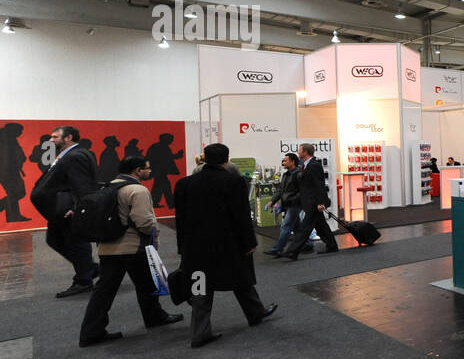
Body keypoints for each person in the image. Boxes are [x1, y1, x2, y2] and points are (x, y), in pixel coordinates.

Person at [174, 143, 276, 348]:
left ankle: (199, 333)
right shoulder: (233, 181)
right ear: (226, 159)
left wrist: (182, 247)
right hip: (228, 245)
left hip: (195, 249)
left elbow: (181, 219)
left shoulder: (185, 184)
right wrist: (249, 242)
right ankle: (255, 313)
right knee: (241, 279)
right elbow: (240, 216)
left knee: (200, 289)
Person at [78, 156, 184, 347]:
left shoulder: (108, 187)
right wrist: (153, 232)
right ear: (137, 170)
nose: (149, 171)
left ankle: (90, 331)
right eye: (147, 168)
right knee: (147, 284)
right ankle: (154, 317)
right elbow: (143, 221)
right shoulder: (137, 190)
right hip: (133, 247)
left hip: (107, 247)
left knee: (104, 291)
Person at [29, 125, 99, 297]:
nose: (51, 140)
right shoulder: (67, 155)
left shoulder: (76, 156)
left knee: (77, 242)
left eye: (55, 137)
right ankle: (90, 269)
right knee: (54, 239)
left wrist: (77, 208)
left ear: (68, 138)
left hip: (69, 210)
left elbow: (82, 184)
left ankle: (83, 280)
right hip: (59, 211)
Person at [282, 142, 339, 261]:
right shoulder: (305, 165)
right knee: (321, 226)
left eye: (299, 150)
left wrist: (320, 202)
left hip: (313, 203)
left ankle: (292, 252)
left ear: (305, 152)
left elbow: (319, 185)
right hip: (308, 202)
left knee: (305, 228)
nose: (298, 152)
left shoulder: (314, 165)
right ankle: (332, 246)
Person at [267, 153, 303, 257]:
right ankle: (308, 244)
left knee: (286, 226)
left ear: (292, 162)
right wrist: (273, 201)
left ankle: (277, 249)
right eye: (283, 160)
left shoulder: (298, 174)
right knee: (297, 227)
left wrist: (292, 199)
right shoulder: (285, 174)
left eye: (286, 160)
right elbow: (280, 190)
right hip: (287, 204)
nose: (283, 162)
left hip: (294, 205)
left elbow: (302, 191)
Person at [0, 122, 32, 222]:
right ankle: (13, 216)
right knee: (17, 192)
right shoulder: (6, 139)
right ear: (13, 130)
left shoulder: (9, 139)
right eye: (19, 131)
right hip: (8, 171)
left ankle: (13, 216)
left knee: (14, 193)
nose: (21, 133)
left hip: (10, 171)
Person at [145, 133, 183, 208]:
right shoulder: (162, 147)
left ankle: (159, 203)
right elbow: (167, 157)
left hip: (158, 171)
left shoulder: (157, 146)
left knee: (160, 186)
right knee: (164, 186)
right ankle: (169, 204)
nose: (171, 141)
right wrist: (178, 155)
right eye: (170, 139)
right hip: (160, 171)